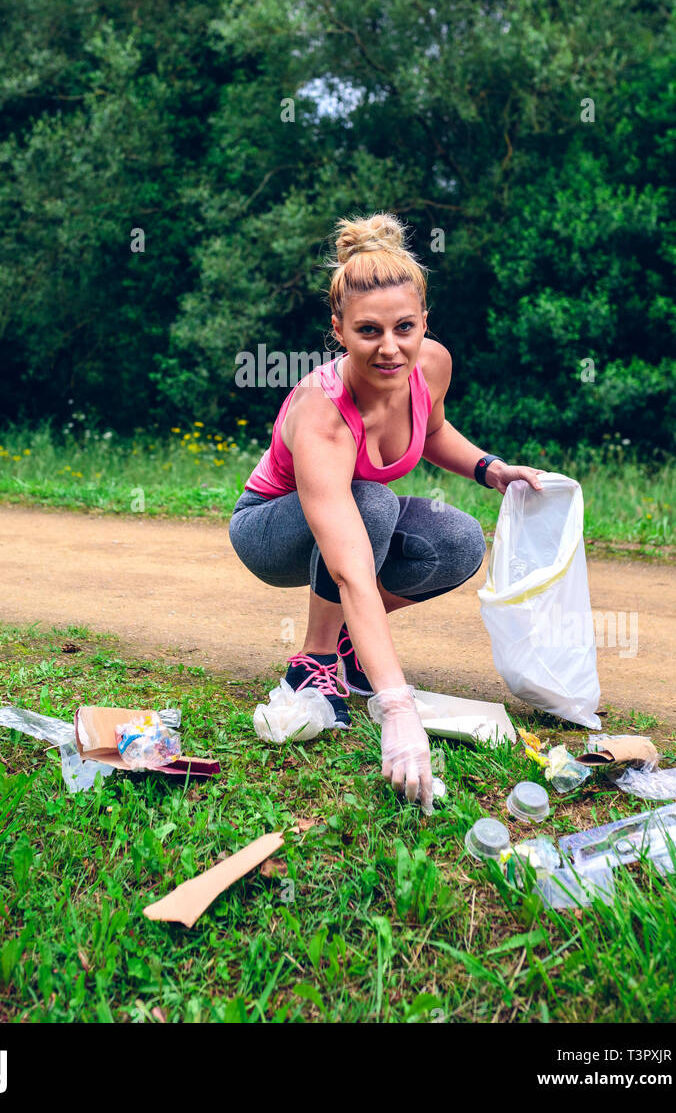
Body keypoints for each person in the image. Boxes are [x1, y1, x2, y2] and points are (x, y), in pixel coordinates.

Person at [228, 212, 544, 813]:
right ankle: (315, 663)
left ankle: (350, 652)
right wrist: (398, 710)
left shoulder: (431, 365)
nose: (390, 347)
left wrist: (490, 468)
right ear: (339, 331)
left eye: (405, 327)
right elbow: (350, 567)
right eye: (368, 331)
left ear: (425, 321)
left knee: (456, 540)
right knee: (369, 502)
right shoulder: (323, 413)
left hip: (353, 514)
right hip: (269, 528)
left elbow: (434, 430)